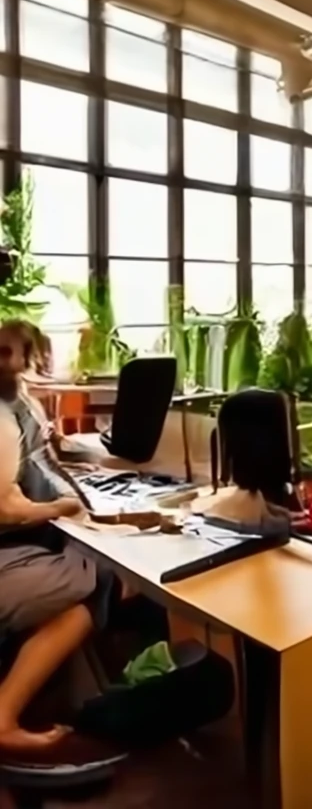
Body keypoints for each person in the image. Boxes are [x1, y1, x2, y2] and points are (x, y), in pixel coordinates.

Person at [0, 319, 112, 757]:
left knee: (85, 579)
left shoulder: (20, 402)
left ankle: (82, 706)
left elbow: (43, 452)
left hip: (18, 541)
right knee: (98, 579)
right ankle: (3, 718)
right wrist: (60, 509)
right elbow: (6, 507)